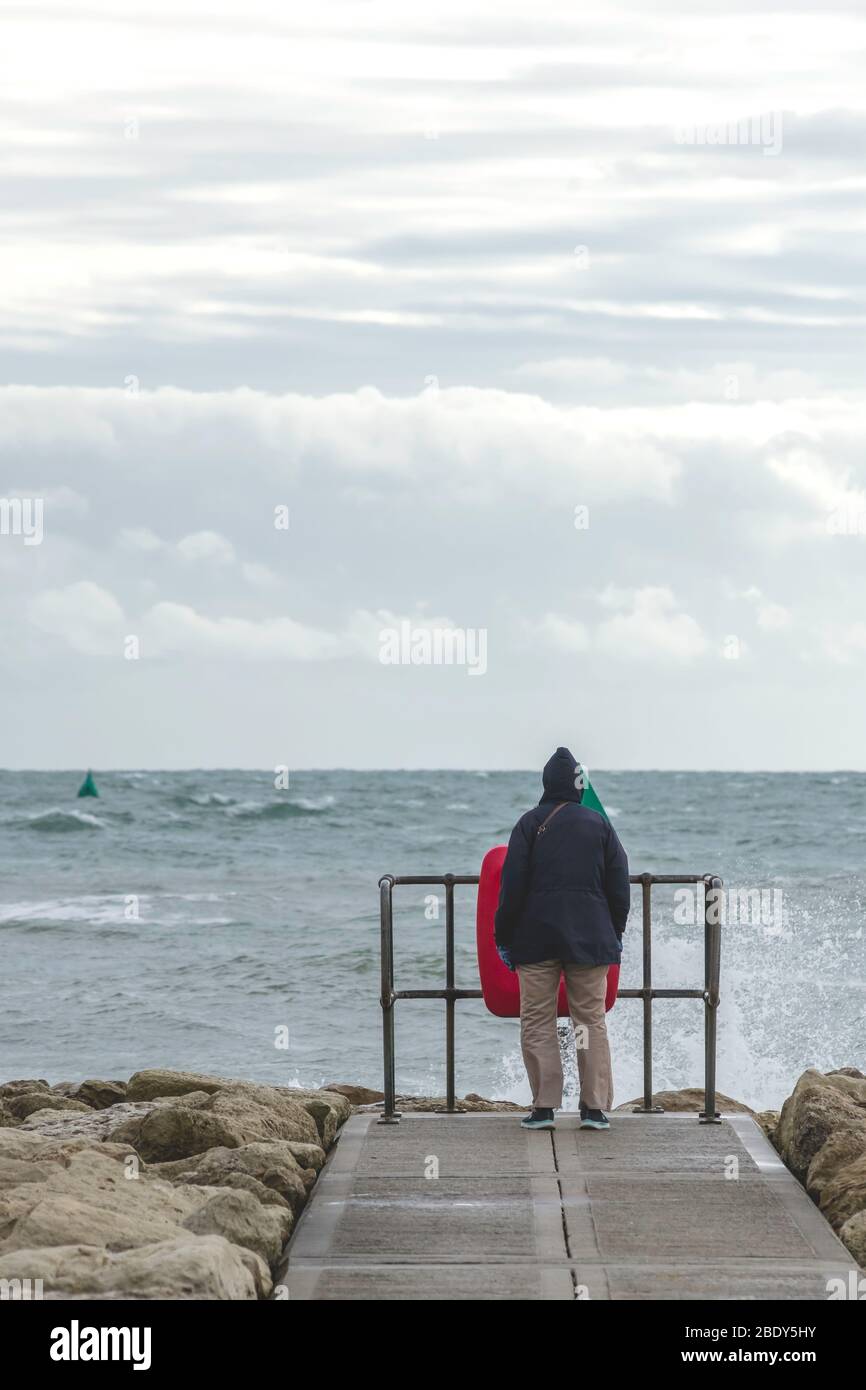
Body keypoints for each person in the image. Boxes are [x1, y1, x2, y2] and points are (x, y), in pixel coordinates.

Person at [494, 746, 630, 1131]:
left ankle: (544, 1108)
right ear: (578, 784)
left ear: (545, 784)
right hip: (591, 939)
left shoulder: (529, 823)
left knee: (537, 1019)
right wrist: (613, 933)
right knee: (589, 1020)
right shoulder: (599, 825)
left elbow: (512, 887)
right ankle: (594, 1109)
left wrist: (503, 935)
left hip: (535, 938)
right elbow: (619, 886)